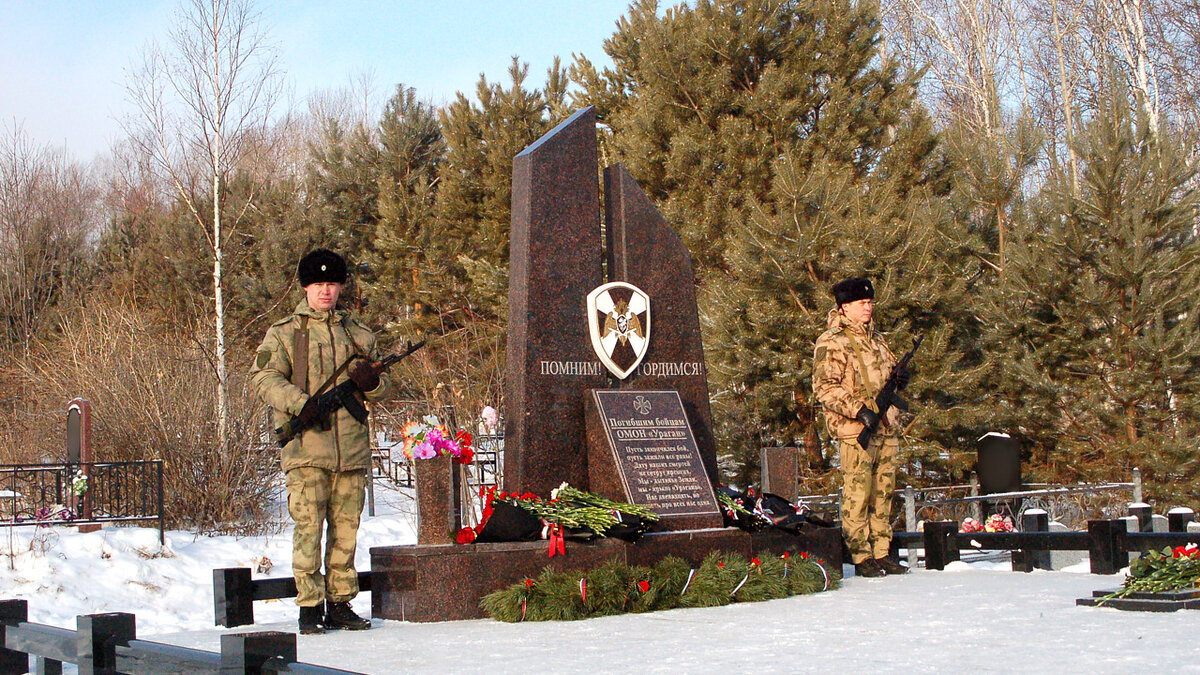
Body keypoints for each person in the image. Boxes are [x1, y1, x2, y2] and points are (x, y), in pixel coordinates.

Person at [251, 248, 394, 633]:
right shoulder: (284, 333)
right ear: (305, 287)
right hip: (307, 450)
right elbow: (263, 379)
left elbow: (384, 389)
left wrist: (374, 383)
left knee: (346, 531)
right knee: (308, 530)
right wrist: (300, 404)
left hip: (350, 451)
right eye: (318, 284)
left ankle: (341, 603)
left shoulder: (359, 334)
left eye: (332, 284)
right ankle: (310, 606)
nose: (325, 291)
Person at [812, 277, 911, 578]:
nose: (869, 307)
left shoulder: (877, 340)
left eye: (870, 303)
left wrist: (899, 381)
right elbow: (824, 387)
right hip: (855, 430)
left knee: (884, 492)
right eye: (862, 303)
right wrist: (859, 411)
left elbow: (886, 376)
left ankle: (882, 552)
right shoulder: (831, 341)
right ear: (844, 307)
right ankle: (860, 554)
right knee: (858, 492)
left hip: (886, 427)